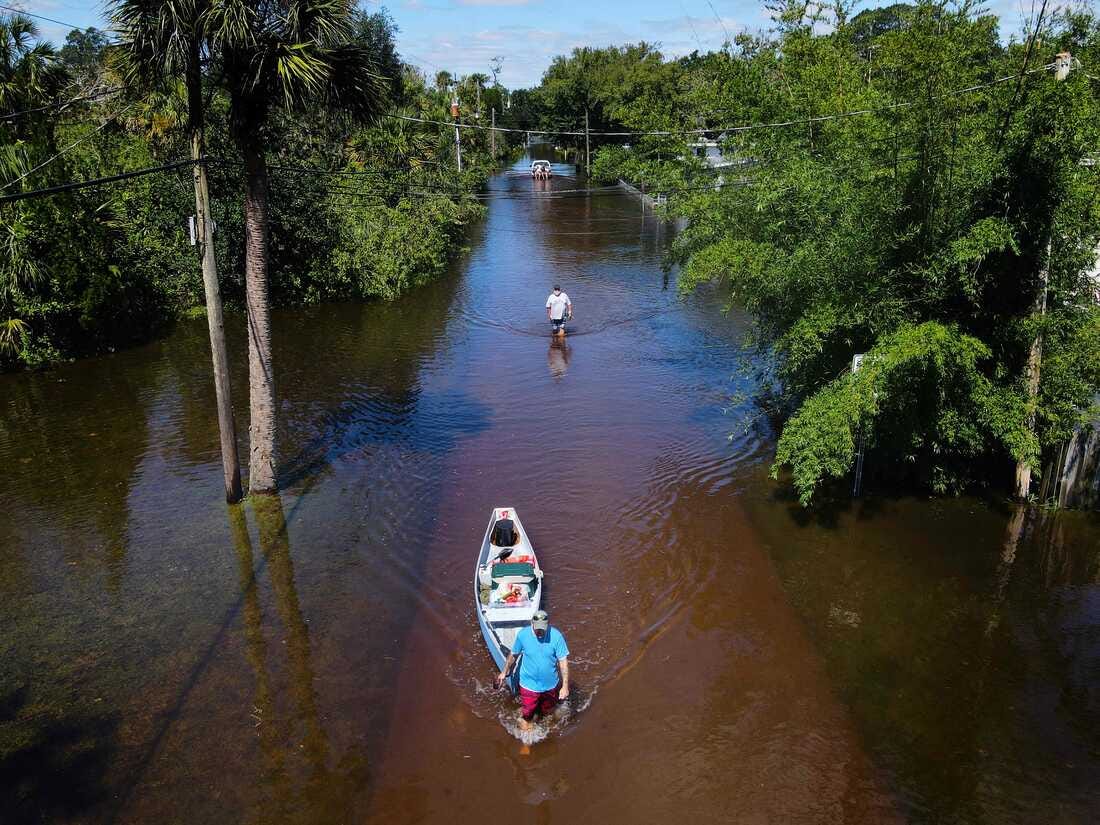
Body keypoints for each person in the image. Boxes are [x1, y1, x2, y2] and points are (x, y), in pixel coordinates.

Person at [495, 610, 570, 730]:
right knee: (527, 716)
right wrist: (504, 672)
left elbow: (563, 662)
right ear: (532, 623)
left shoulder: (557, 637)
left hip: (550, 685)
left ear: (548, 624)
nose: (540, 632)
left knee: (548, 712)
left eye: (543, 628)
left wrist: (565, 686)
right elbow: (513, 655)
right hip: (528, 685)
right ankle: (527, 737)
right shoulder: (523, 635)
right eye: (537, 628)